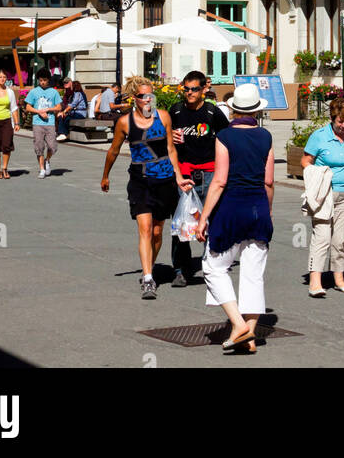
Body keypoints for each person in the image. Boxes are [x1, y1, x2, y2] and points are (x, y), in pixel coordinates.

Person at [196, 82, 274, 354]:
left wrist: (204, 216)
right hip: (258, 207)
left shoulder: (225, 137)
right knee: (253, 275)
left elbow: (219, 181)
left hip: (231, 207)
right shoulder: (266, 136)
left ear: (232, 109)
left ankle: (238, 324)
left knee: (214, 267)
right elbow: (269, 181)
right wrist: (268, 211)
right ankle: (249, 336)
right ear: (256, 110)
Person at [101, 77, 191, 299]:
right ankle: (149, 279)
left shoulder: (163, 116)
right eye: (143, 96)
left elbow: (171, 148)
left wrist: (179, 176)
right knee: (146, 229)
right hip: (140, 180)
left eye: (151, 95)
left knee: (158, 232)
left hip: (165, 180)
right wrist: (105, 176)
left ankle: (148, 266)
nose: (148, 99)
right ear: (135, 99)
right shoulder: (125, 122)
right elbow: (113, 151)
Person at [169, 70, 227, 286]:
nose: (189, 93)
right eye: (186, 89)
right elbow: (166, 139)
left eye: (194, 89)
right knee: (182, 222)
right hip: (185, 174)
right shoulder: (175, 111)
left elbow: (225, 139)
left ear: (204, 90)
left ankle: (212, 266)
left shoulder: (212, 112)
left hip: (210, 173)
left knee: (211, 221)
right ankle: (180, 270)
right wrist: (171, 137)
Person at [302, 97, 344, 296]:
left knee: (340, 240)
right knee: (322, 238)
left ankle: (339, 278)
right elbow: (306, 161)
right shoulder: (319, 136)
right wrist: (318, 175)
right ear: (332, 118)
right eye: (340, 122)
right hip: (324, 194)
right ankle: (315, 282)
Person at [24, 70, 63, 178]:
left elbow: (59, 107)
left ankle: (47, 160)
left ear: (48, 80)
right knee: (39, 146)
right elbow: (28, 107)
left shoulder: (53, 92)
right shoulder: (34, 92)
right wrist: (39, 112)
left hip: (50, 123)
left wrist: (49, 109)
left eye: (44, 80)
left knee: (52, 146)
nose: (42, 82)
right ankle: (42, 169)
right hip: (37, 123)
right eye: (40, 80)